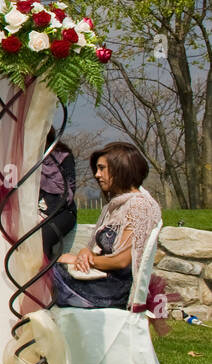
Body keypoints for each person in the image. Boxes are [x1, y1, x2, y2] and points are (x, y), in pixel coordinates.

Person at [52, 142, 161, 310]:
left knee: (42, 276)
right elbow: (90, 248)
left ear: (121, 168)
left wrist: (77, 260)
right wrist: (83, 253)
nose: (97, 174)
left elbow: (122, 261)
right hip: (101, 279)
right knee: (43, 271)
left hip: (113, 290)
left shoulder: (139, 206)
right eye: (97, 169)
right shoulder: (116, 206)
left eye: (102, 168)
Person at [40, 128, 78, 260]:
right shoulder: (26, 158)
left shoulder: (63, 156)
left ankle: (45, 277)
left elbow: (68, 190)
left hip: (62, 210)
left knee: (42, 237)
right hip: (34, 210)